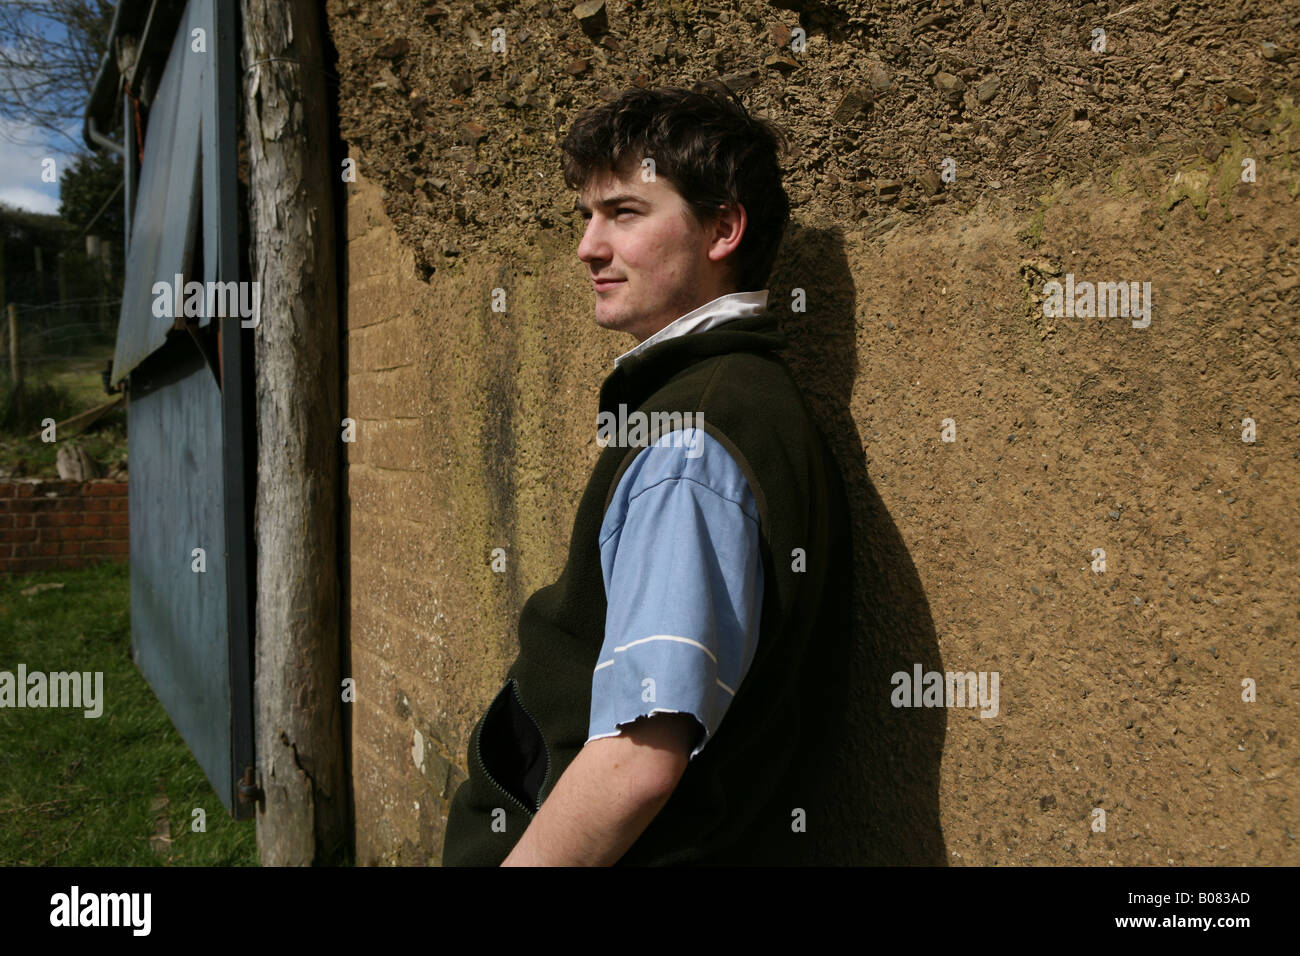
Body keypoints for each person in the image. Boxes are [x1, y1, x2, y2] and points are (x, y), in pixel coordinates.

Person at [441, 82, 853, 866]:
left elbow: (636, 764)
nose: (587, 246)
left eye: (625, 213)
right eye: (588, 216)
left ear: (722, 227)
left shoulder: (690, 448)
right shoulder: (725, 403)